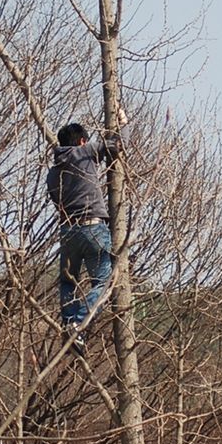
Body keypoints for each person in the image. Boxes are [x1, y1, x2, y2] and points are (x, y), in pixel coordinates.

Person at [46, 111, 127, 351]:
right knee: (105, 281)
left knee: (67, 282)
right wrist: (123, 123)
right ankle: (78, 324)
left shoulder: (53, 173)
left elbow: (56, 199)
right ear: (82, 140)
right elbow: (117, 145)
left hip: (67, 230)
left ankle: (70, 323)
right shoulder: (86, 152)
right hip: (93, 227)